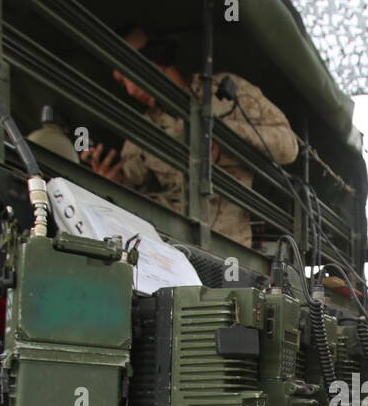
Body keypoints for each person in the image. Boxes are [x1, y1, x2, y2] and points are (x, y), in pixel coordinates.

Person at [82, 24, 300, 247]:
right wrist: (114, 184)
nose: (130, 90)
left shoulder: (222, 91)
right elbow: (138, 190)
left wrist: (223, 137)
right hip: (168, 249)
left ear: (158, 57)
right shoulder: (142, 129)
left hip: (225, 249)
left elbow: (288, 146)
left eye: (130, 75)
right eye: (122, 82)